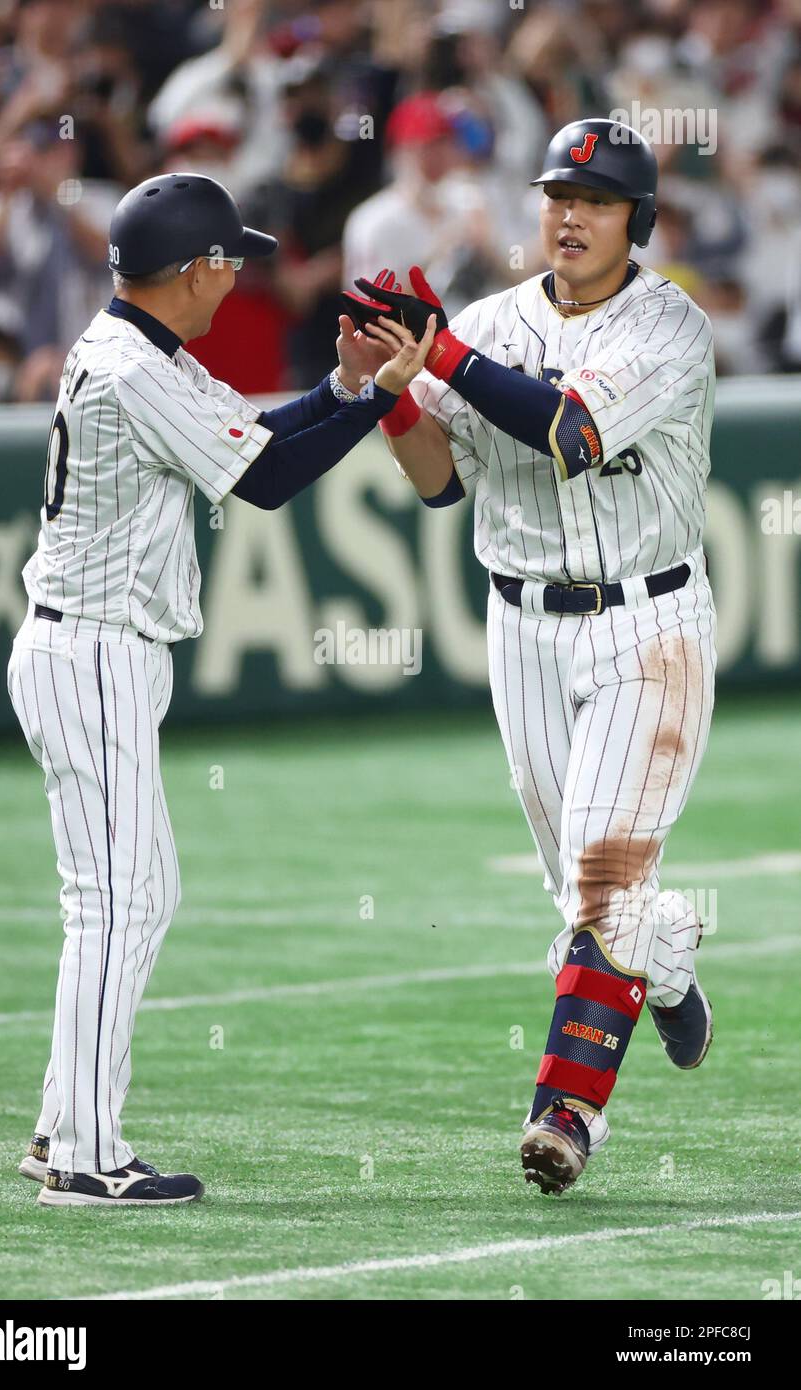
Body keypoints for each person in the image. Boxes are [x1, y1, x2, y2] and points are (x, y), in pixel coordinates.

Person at [8, 172, 432, 1207]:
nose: (233, 275)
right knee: (118, 902)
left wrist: (338, 393)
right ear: (192, 268)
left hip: (97, 652)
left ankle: (66, 1126)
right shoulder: (132, 366)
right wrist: (378, 398)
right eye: (224, 260)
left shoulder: (136, 345)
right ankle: (81, 1155)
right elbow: (267, 483)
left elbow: (259, 441)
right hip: (91, 652)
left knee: (128, 897)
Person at [346, 119, 716, 1196]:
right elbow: (436, 480)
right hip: (520, 629)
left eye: (596, 201)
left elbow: (568, 433)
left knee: (602, 890)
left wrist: (444, 354)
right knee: (587, 901)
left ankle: (564, 1112)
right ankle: (669, 951)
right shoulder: (485, 318)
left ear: (634, 222)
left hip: (645, 627)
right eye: (558, 193)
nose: (569, 213)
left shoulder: (667, 327)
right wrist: (390, 386)